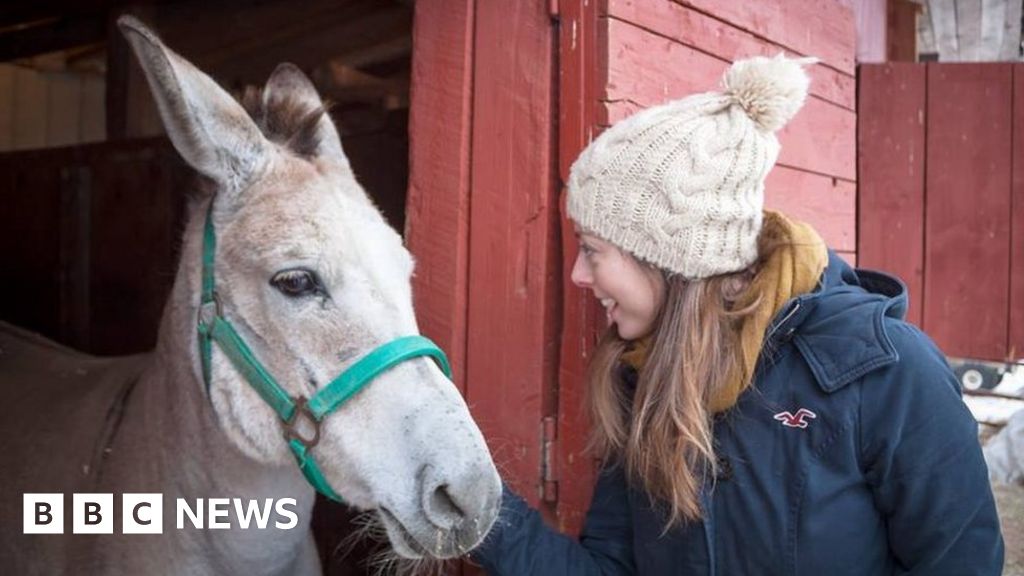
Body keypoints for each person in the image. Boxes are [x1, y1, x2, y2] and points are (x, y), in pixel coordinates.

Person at [469, 54, 1004, 575]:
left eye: (592, 249)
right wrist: (476, 510)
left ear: (669, 259)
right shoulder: (646, 380)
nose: (578, 277)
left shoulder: (887, 372)